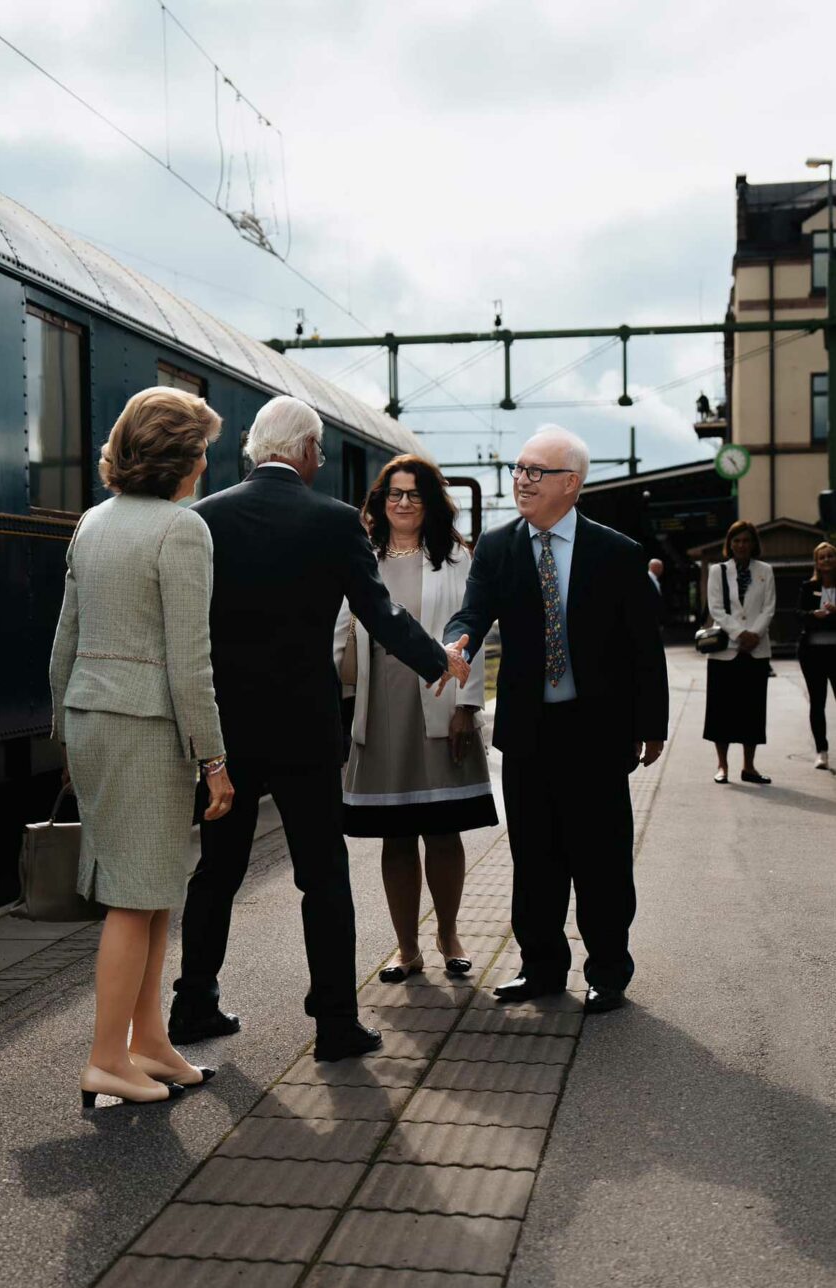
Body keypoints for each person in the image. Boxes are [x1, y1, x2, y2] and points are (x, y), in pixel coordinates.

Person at [168, 396, 469, 1062]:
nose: (320, 462)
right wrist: (435, 661)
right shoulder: (333, 520)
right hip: (304, 730)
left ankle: (192, 1004)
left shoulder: (203, 519)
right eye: (321, 453)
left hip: (228, 731)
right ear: (304, 450)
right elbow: (380, 612)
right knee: (322, 876)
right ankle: (334, 1022)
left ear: (255, 449)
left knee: (216, 872)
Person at [50, 387, 234, 1108]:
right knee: (136, 899)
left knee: (153, 890)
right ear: (180, 458)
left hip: (97, 720)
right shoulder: (181, 530)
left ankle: (149, 1044)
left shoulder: (93, 523)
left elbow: (64, 638)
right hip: (149, 730)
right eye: (202, 452)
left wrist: (66, 732)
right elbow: (191, 661)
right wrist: (214, 759)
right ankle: (104, 1058)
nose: (206, 465)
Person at [443, 424, 668, 1015]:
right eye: (518, 469)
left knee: (602, 859)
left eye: (534, 471)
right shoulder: (497, 547)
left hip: (597, 732)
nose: (520, 479)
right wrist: (457, 643)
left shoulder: (617, 554)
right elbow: (473, 610)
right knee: (535, 858)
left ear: (571, 484)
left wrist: (653, 725)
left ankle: (609, 972)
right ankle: (542, 969)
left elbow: (645, 647)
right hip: (528, 733)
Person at [334, 455, 498, 983]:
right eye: (394, 494)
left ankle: (448, 934)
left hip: (439, 703)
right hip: (380, 707)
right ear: (381, 503)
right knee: (395, 836)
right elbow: (340, 632)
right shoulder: (362, 557)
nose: (403, 503)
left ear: (431, 503)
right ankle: (406, 948)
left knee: (443, 830)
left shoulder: (457, 560)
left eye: (414, 495)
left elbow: (473, 638)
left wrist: (465, 709)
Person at [703, 520, 776, 785]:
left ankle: (749, 766)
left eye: (746, 541)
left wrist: (754, 634)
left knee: (753, 710)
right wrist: (739, 634)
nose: (741, 545)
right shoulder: (718, 571)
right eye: (737, 541)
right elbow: (716, 609)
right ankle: (722, 765)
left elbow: (769, 607)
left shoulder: (765, 570)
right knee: (721, 710)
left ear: (754, 544)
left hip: (756, 651)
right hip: (726, 652)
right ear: (729, 544)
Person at [796, 539, 836, 769]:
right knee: (817, 701)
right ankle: (822, 750)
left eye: (830, 556)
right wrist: (814, 614)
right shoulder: (808, 587)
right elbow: (798, 614)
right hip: (812, 653)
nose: (827, 560)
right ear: (817, 563)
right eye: (822, 557)